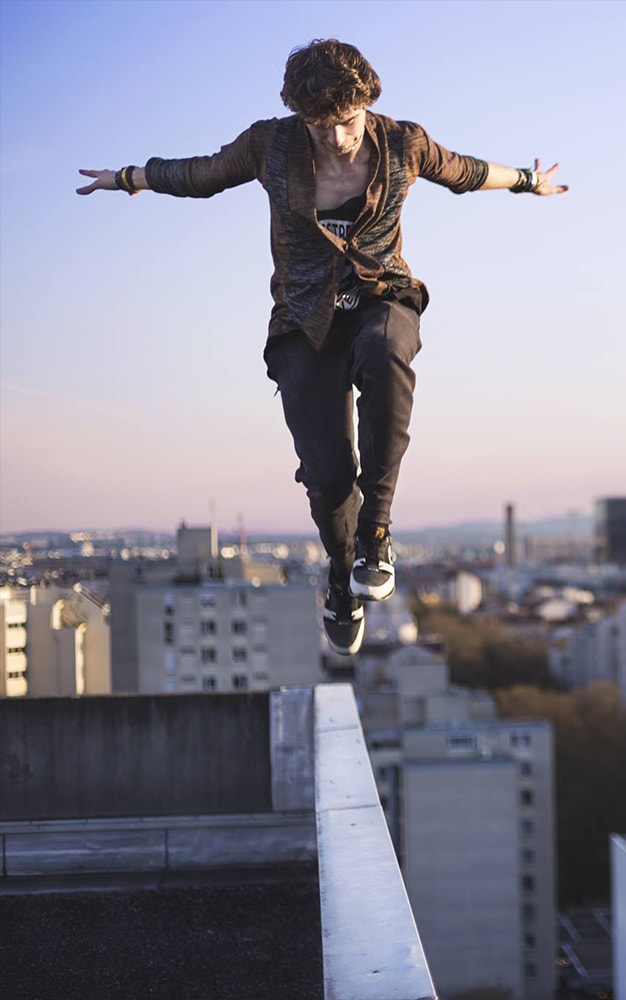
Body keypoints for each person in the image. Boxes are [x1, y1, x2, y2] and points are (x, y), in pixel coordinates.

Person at [77, 38, 568, 657]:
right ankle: (341, 580)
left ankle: (377, 536)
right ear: (298, 115)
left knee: (387, 352)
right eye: (320, 124)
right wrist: (127, 178)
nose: (336, 138)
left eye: (347, 121)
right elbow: (199, 175)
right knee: (329, 473)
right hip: (303, 320)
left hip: (381, 295)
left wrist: (527, 181)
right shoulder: (270, 145)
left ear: (366, 105)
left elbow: (466, 172)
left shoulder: (403, 143)